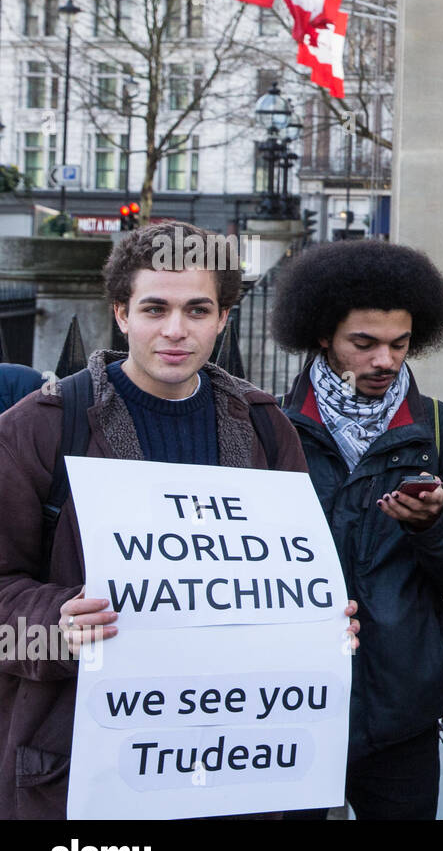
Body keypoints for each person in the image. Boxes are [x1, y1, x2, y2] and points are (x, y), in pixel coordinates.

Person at [0, 221, 358, 819]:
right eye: (154, 308)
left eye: (197, 310)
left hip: (235, 769)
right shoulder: (39, 427)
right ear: (121, 314)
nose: (175, 330)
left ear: (223, 319)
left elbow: (291, 573)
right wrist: (56, 624)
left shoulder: (266, 427)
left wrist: (318, 623)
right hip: (86, 767)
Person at [271, 239, 443, 820]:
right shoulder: (270, 428)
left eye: (400, 344)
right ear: (323, 334)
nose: (385, 361)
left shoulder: (441, 430)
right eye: (364, 343)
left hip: (402, 713)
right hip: (289, 703)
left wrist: (437, 524)